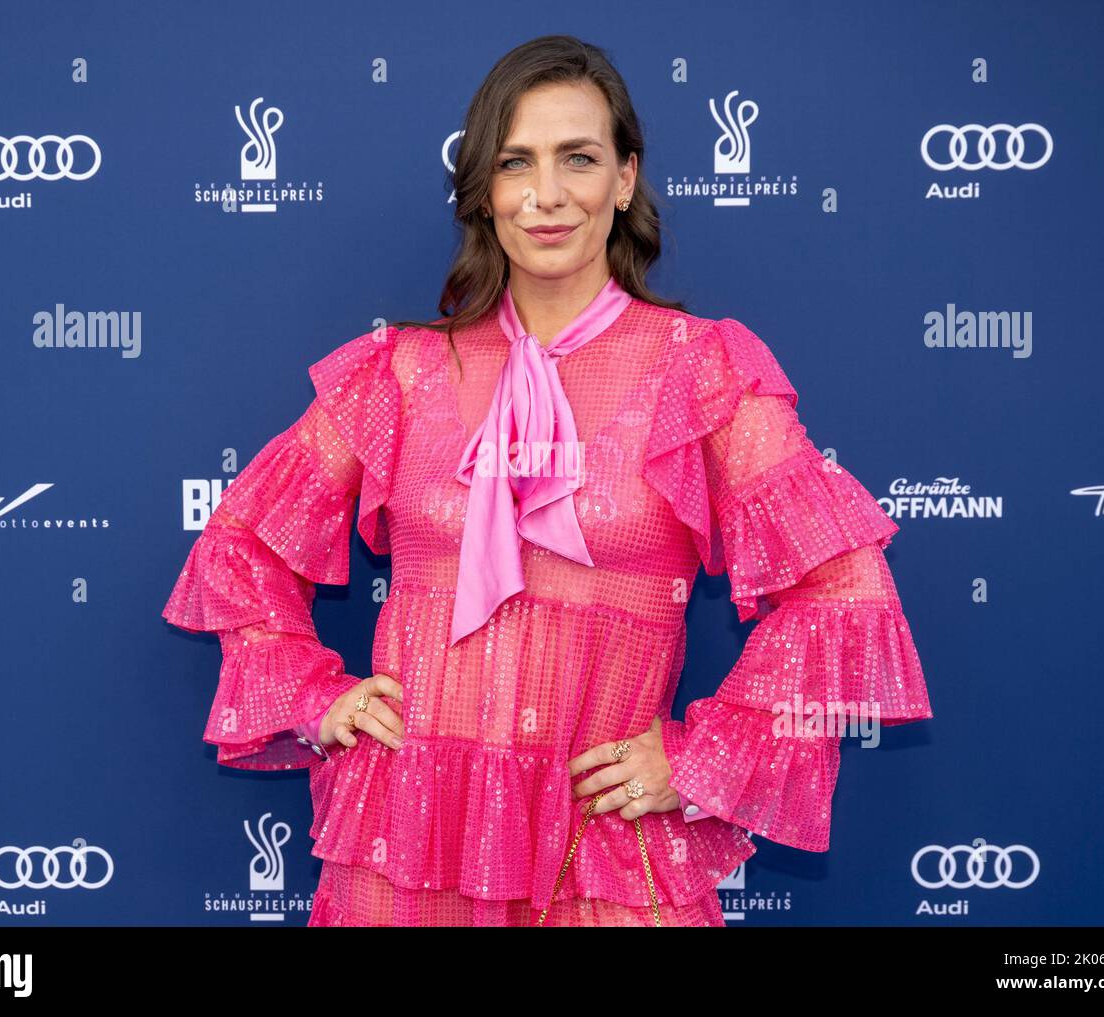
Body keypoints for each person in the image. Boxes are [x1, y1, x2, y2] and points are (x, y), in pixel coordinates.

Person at [161, 34, 933, 927]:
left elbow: (844, 588)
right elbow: (241, 545)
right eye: (515, 163)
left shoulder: (703, 370)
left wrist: (697, 759)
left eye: (579, 158)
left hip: (602, 834)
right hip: (410, 839)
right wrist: (313, 694)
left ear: (625, 179)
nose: (547, 194)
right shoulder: (402, 373)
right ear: (484, 192)